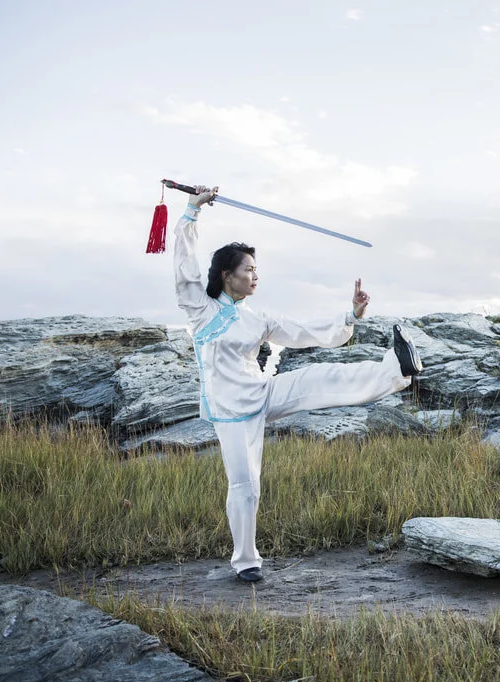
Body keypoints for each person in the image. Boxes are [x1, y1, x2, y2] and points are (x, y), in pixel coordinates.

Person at [173, 185, 423, 583]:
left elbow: (302, 331)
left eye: (256, 268)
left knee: (317, 376)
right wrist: (191, 211)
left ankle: (397, 369)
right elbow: (184, 270)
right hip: (230, 412)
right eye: (248, 269)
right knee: (245, 486)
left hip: (262, 392)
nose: (256, 275)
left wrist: (350, 315)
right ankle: (246, 562)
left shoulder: (257, 318)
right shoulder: (201, 310)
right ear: (227, 275)